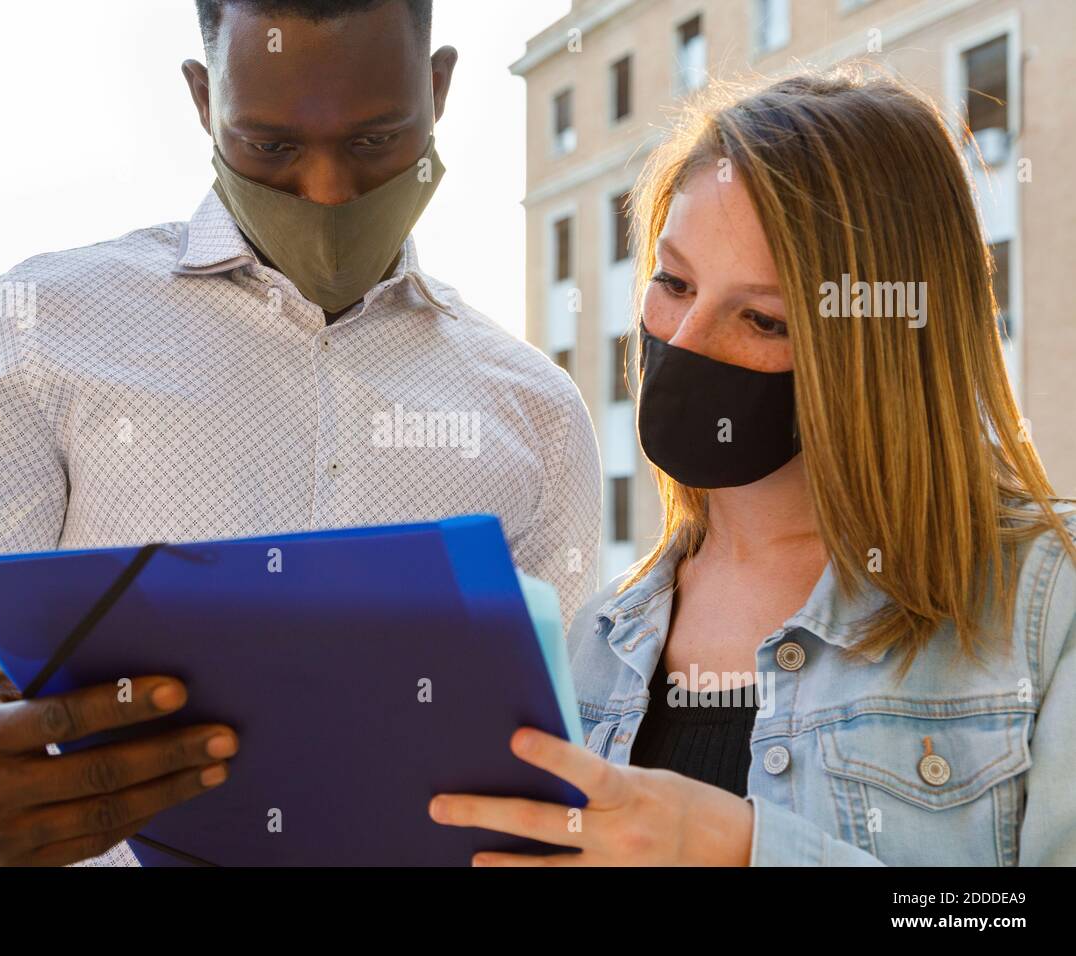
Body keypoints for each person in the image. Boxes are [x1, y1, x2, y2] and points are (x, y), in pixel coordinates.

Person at [0, 0, 601, 867]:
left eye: (375, 141)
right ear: (205, 102)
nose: (327, 193)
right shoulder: (42, 333)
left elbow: (570, 754)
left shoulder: (535, 412)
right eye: (270, 146)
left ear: (438, 90)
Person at [429, 69, 1076, 866]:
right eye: (672, 282)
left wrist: (746, 854)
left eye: (762, 318)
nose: (685, 339)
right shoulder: (596, 639)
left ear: (878, 349)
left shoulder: (1048, 605)